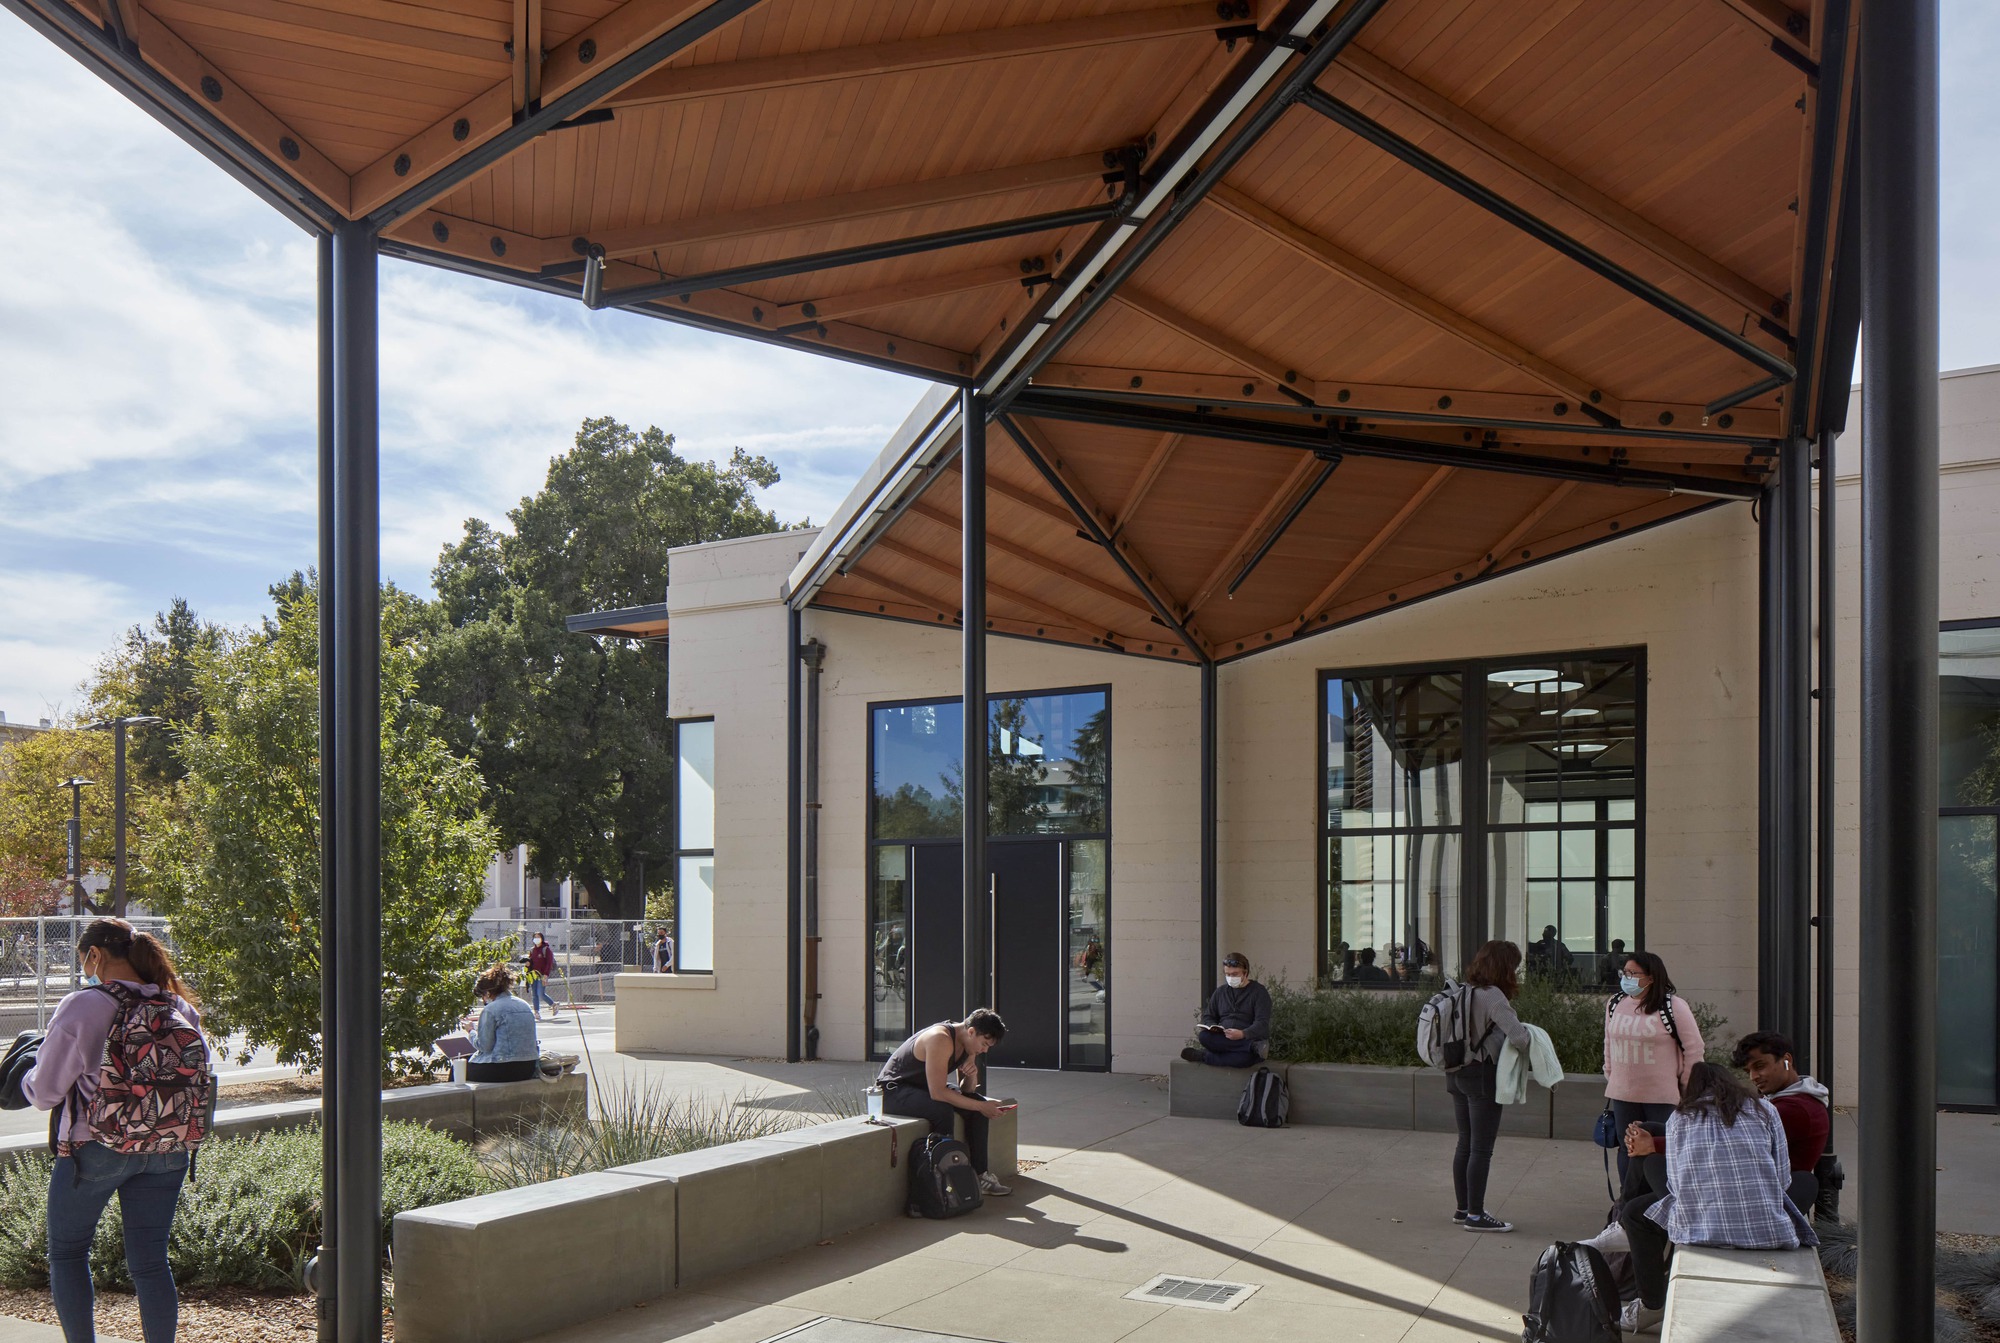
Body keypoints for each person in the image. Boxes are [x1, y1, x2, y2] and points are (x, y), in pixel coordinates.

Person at [21, 917, 212, 1343]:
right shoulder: (178, 1007)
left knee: (68, 1254)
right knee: (150, 1262)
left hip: (95, 1148)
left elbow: (46, 1093)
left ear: (95, 956)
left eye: (82, 959)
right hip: (168, 1147)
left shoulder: (84, 1005)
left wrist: (23, 1076)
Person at [1617, 1062, 1816, 1335]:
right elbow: (1782, 1179)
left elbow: (1677, 1185)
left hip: (1700, 1231)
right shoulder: (1765, 1109)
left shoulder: (1679, 1117)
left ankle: (1652, 1303)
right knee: (1807, 1180)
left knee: (1635, 1212)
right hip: (1770, 1233)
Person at [876, 1011, 1013, 1197]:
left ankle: (981, 1176)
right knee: (942, 1110)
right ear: (971, 1031)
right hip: (894, 1091)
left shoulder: (969, 1045)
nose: (985, 1050)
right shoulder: (940, 1038)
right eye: (984, 1044)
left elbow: (968, 1091)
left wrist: (972, 1074)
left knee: (977, 1107)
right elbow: (938, 1092)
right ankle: (942, 1177)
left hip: (922, 1087)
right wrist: (982, 1106)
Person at [1448, 940, 1533, 1233]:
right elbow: (1520, 1038)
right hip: (1482, 1075)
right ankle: (1475, 1215)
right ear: (1505, 967)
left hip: (1456, 1072)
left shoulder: (1464, 989)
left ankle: (1462, 1210)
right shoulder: (1492, 996)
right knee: (1481, 1149)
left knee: (1465, 1143)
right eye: (1515, 966)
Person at [1603, 949, 1703, 1181]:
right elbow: (1608, 1040)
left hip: (1662, 1096)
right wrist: (1610, 1072)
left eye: (1633, 973)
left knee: (1660, 1149)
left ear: (1651, 977)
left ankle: (1658, 1201)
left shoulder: (1673, 1006)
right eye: (1624, 972)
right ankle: (1626, 1203)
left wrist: (1688, 1086)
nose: (1626, 978)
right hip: (1623, 1093)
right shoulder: (1616, 1003)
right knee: (1627, 1148)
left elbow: (1694, 1048)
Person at [1732, 1030, 1830, 1209]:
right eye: (1749, 1071)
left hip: (1761, 1199)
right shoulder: (1788, 1099)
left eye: (1760, 1066)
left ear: (1787, 1060)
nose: (1753, 1077)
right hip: (1753, 1187)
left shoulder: (1794, 1109)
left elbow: (1729, 1142)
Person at [1181, 952, 1272, 1068]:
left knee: (1243, 1059)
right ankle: (1251, 1046)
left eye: (1235, 974)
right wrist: (1213, 1027)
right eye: (1227, 974)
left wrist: (1242, 1034)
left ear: (1245, 973)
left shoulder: (1259, 992)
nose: (1231, 977)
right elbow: (1208, 1016)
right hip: (1225, 1037)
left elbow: (1262, 1023)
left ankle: (1203, 1056)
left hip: (1247, 1036)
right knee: (1204, 1036)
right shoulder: (1220, 992)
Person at [466, 964, 541, 1082]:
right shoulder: (524, 1005)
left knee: (458, 1067)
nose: (484, 1000)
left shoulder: (491, 1009)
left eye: (482, 996)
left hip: (503, 1067)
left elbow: (485, 1046)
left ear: (488, 992)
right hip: (528, 1067)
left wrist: (471, 1031)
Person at [525, 932, 557, 1017]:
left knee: (541, 994)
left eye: (538, 937)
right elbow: (531, 961)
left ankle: (553, 1005)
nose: (536, 939)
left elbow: (549, 963)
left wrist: (546, 974)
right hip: (533, 975)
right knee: (534, 994)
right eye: (535, 937)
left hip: (542, 975)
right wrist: (528, 964)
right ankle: (536, 1012)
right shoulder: (532, 950)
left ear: (542, 938)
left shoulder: (546, 949)